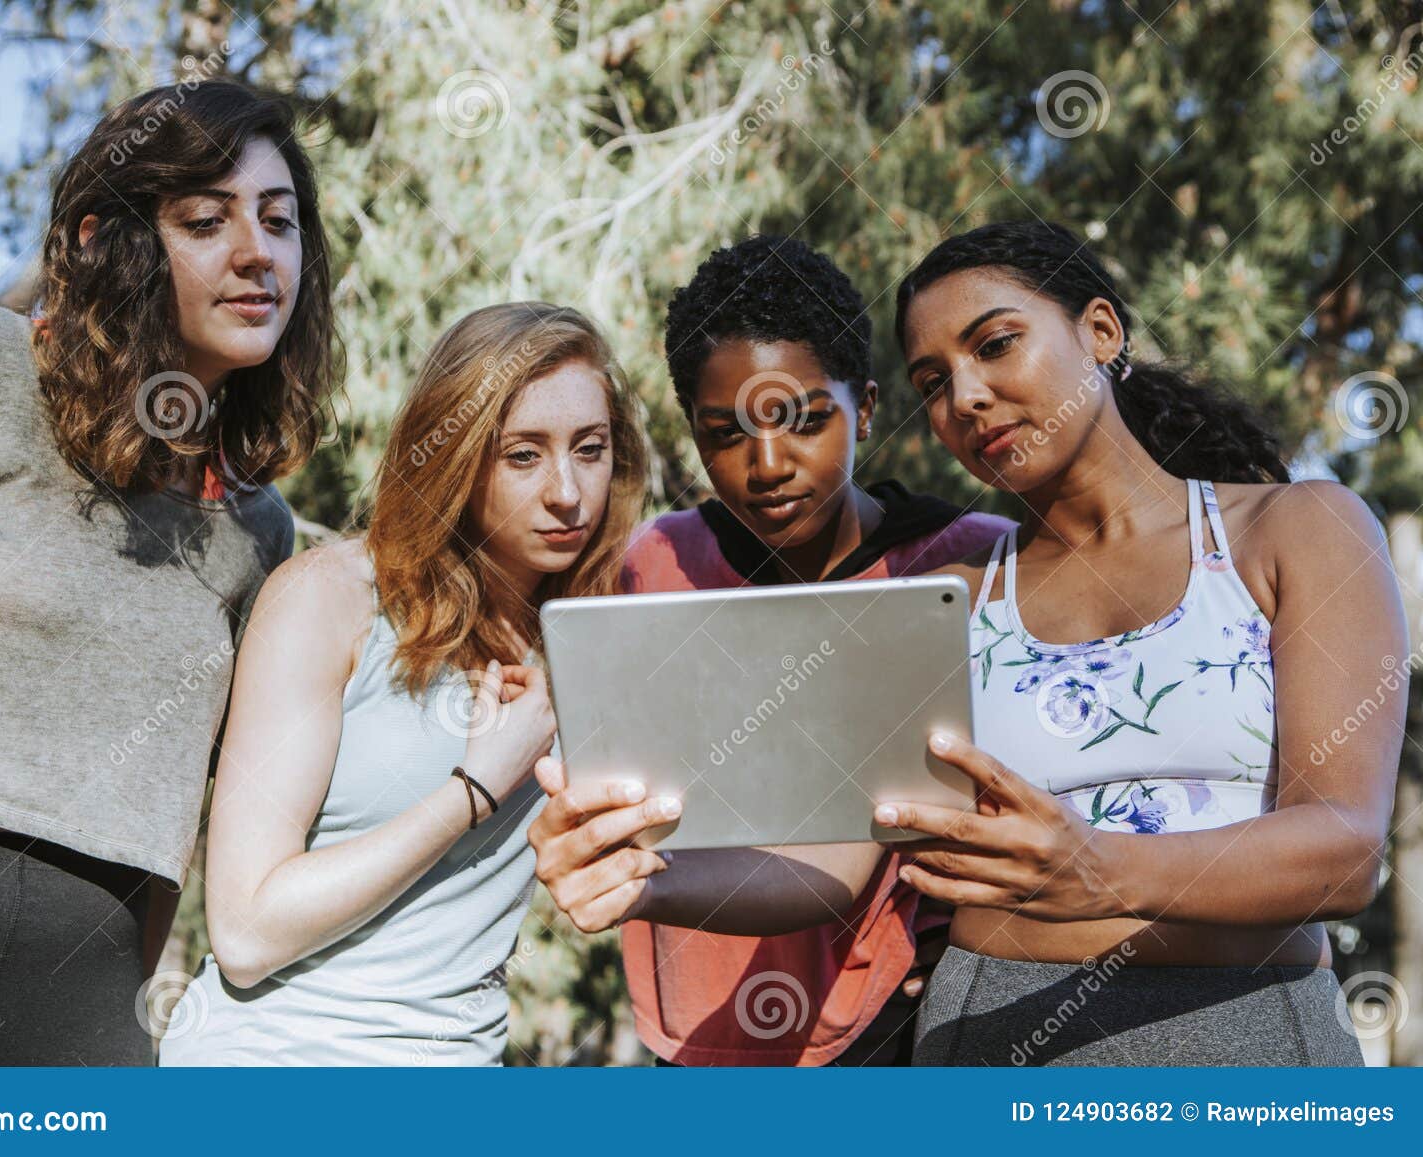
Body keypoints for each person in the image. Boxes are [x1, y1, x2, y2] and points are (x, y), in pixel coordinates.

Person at [0, 81, 336, 1065]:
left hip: (80, 996)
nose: (257, 252)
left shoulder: (259, 531)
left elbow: (192, 808)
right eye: (205, 220)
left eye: (280, 222)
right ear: (109, 237)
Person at [876, 220, 1402, 1065]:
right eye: (932, 382)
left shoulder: (1295, 528)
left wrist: (1096, 869)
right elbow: (831, 852)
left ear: (1101, 332)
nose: (965, 398)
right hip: (991, 1029)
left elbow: (1346, 852)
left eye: (996, 343)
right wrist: (642, 858)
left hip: (1253, 1033)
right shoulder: (949, 599)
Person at [528, 236, 1012, 1066]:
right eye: (726, 434)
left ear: (863, 404)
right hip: (698, 1030)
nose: (768, 465)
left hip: (896, 1029)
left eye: (804, 421)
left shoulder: (964, 562)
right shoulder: (652, 564)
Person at [159, 302, 646, 1065]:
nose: (567, 491)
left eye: (591, 448)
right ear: (455, 455)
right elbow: (246, 931)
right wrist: (474, 788)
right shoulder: (330, 597)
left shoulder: (592, 638)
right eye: (523, 454)